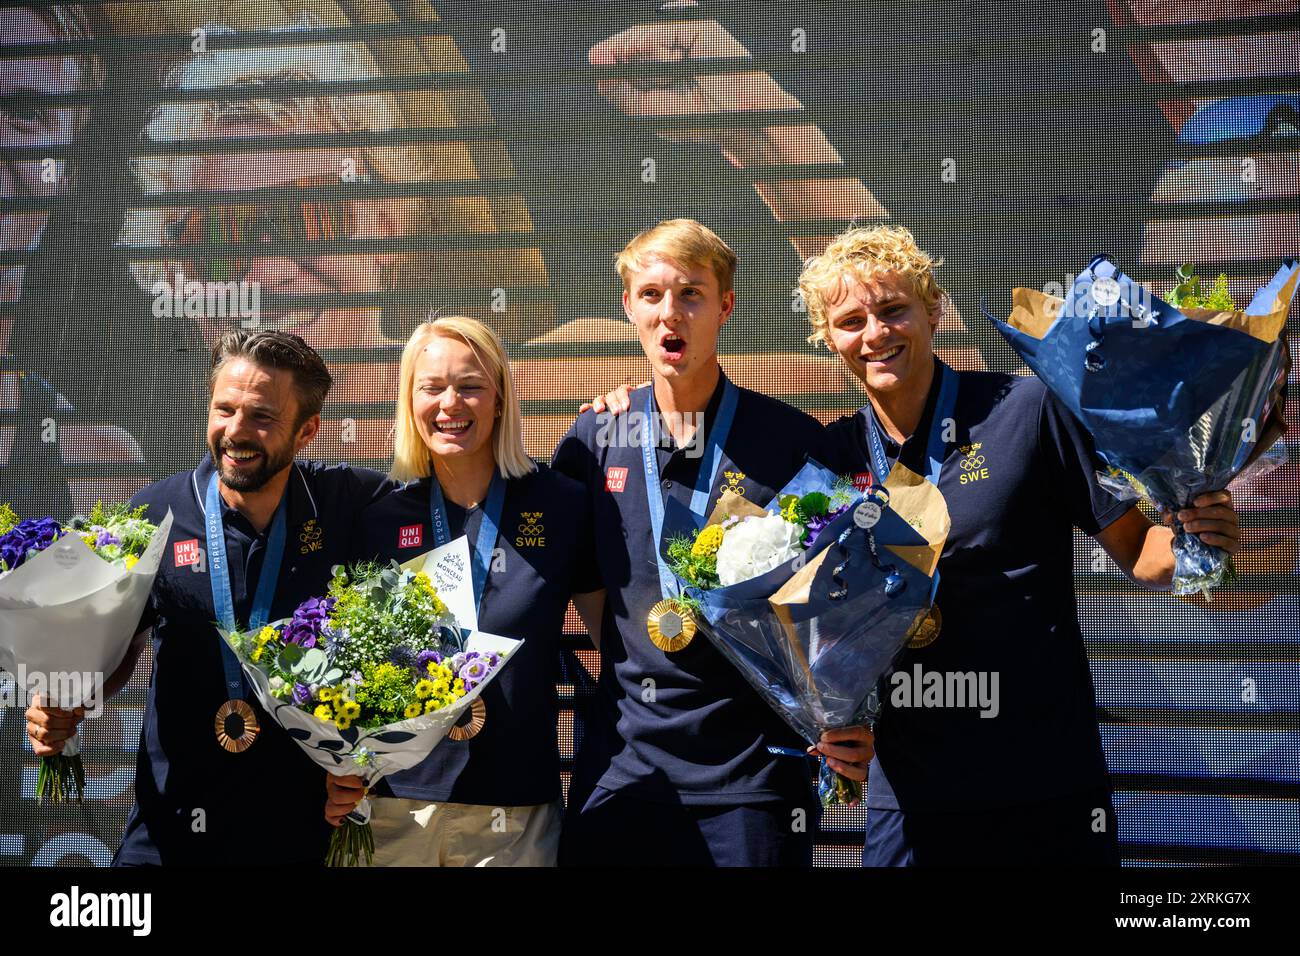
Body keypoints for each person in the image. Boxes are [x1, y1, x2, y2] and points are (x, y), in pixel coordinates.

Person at [796, 223, 1241, 865]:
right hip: (910, 796)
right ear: (827, 338)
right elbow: (811, 631)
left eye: (894, 310)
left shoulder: (1026, 408)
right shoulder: (828, 463)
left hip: (1045, 785)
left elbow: (1141, 552)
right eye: (850, 320)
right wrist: (829, 721)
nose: (875, 333)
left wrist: (1199, 536)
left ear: (933, 309)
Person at [550, 218, 872, 867]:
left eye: (692, 294)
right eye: (652, 295)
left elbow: (850, 597)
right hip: (624, 776)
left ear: (726, 305)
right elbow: (580, 577)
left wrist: (853, 714)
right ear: (629, 307)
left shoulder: (789, 440)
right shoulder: (594, 437)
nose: (671, 313)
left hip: (754, 783)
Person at [25, 329, 392, 865]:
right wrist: (67, 694)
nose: (236, 431)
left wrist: (366, 759)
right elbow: (120, 642)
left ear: (307, 430)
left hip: (301, 834)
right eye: (224, 409)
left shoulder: (352, 504)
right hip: (169, 834)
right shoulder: (155, 511)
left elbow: (405, 644)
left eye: (262, 417)